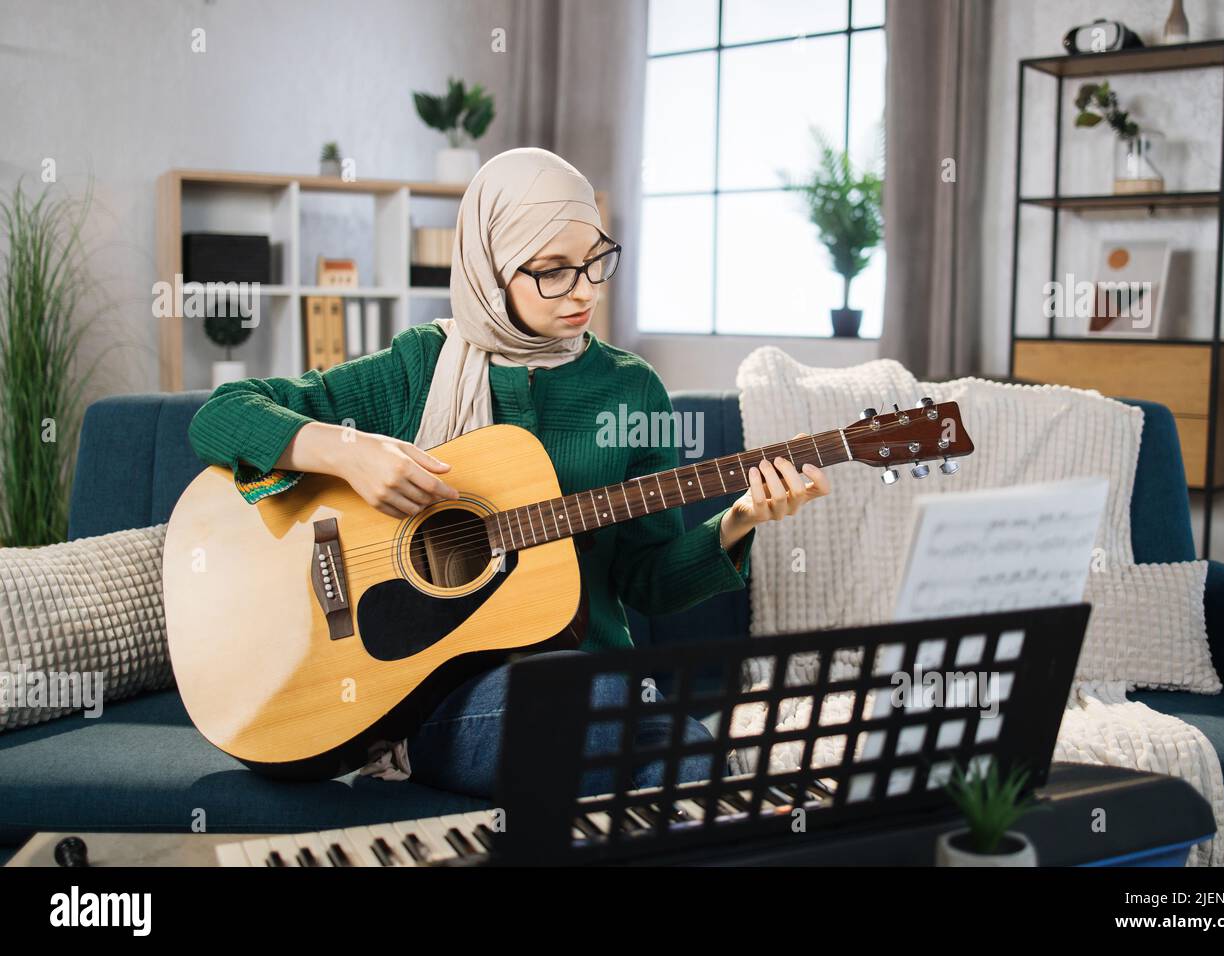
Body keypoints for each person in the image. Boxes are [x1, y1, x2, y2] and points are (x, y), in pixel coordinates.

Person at [187, 147, 831, 798]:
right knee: (605, 711)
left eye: (594, 261)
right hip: (434, 699)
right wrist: (350, 452)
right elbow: (222, 414)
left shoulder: (633, 391)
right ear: (490, 269)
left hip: (600, 689)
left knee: (709, 778)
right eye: (553, 271)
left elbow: (647, 580)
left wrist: (739, 520)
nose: (584, 290)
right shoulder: (421, 366)